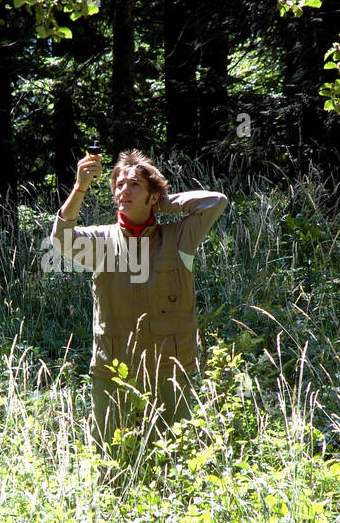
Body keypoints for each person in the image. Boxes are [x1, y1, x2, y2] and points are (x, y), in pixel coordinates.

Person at [50, 148, 228, 447]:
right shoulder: (101, 241)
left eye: (134, 185)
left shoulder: (179, 238)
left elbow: (216, 201)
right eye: (119, 184)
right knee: (110, 455)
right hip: (113, 367)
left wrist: (162, 202)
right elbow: (61, 238)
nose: (124, 190)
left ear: (152, 195)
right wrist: (80, 188)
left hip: (169, 366)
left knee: (175, 452)